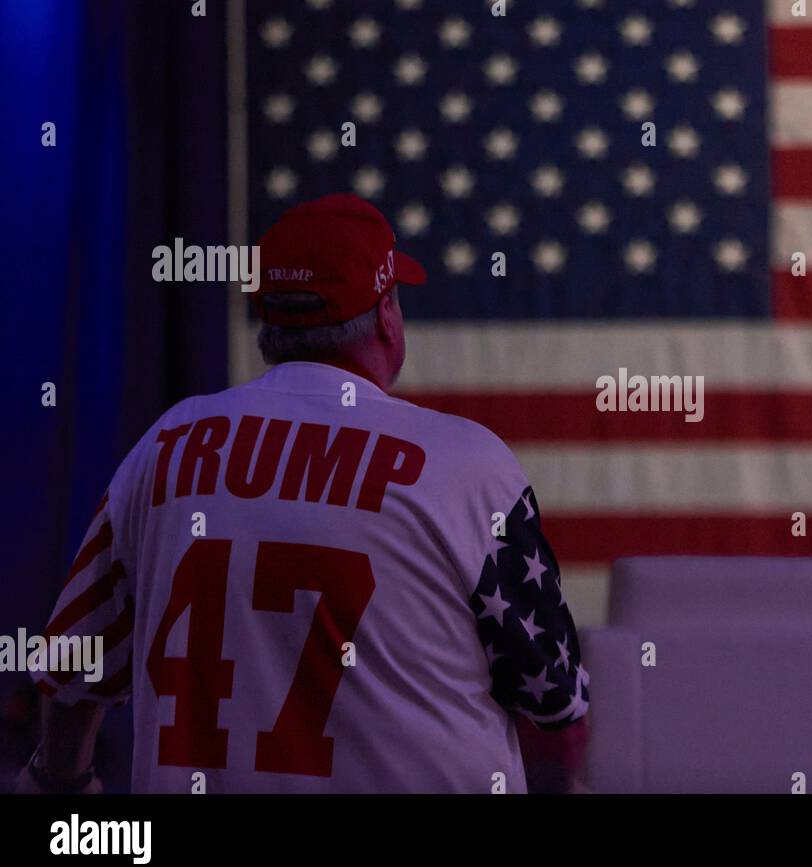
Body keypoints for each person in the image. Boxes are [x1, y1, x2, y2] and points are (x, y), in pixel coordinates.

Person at [19, 193, 588, 793]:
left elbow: (71, 664)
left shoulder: (167, 443)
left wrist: (61, 782)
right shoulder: (468, 466)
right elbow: (556, 710)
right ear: (386, 313)